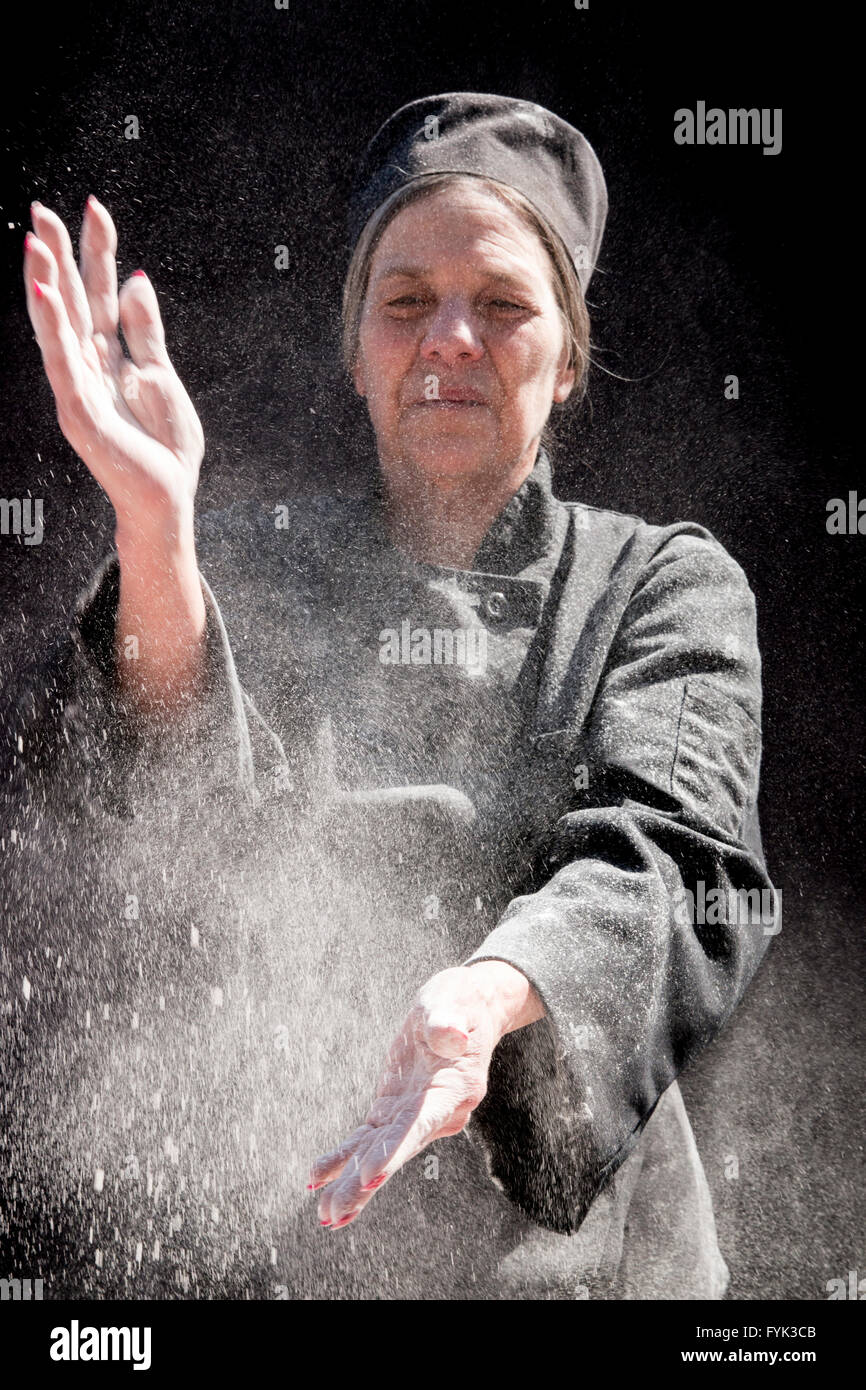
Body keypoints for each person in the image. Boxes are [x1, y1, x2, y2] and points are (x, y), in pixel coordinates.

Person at [2, 93, 775, 1299]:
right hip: (279, 1262)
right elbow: (157, 818)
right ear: (356, 351)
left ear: (568, 358)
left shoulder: (657, 583)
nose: (450, 337)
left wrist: (487, 992)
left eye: (504, 304)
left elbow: (675, 862)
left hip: (589, 1275)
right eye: (406, 302)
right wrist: (155, 533)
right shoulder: (239, 575)